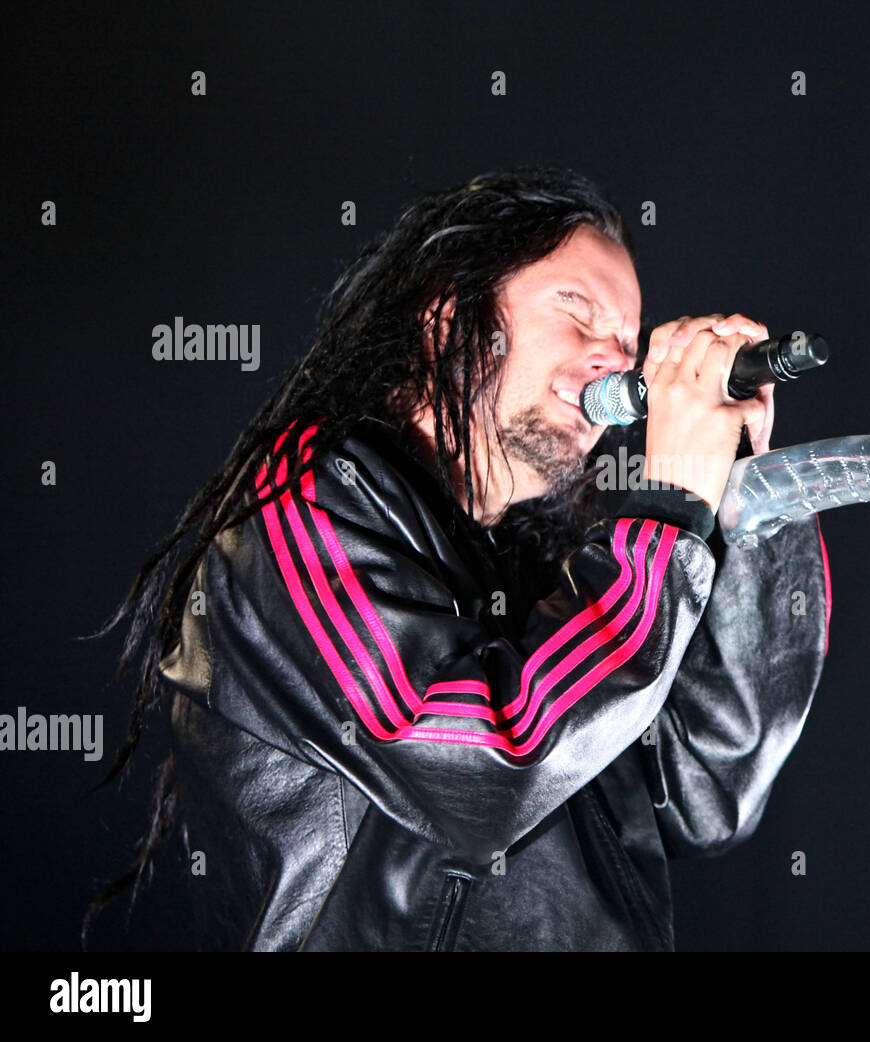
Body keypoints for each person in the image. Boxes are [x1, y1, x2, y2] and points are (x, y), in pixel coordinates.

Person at [86, 167, 830, 951]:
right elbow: (485, 760)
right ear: (449, 317)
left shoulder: (548, 577)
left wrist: (749, 497)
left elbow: (707, 793)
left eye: (626, 340)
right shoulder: (298, 510)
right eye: (576, 310)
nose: (615, 361)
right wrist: (669, 514)